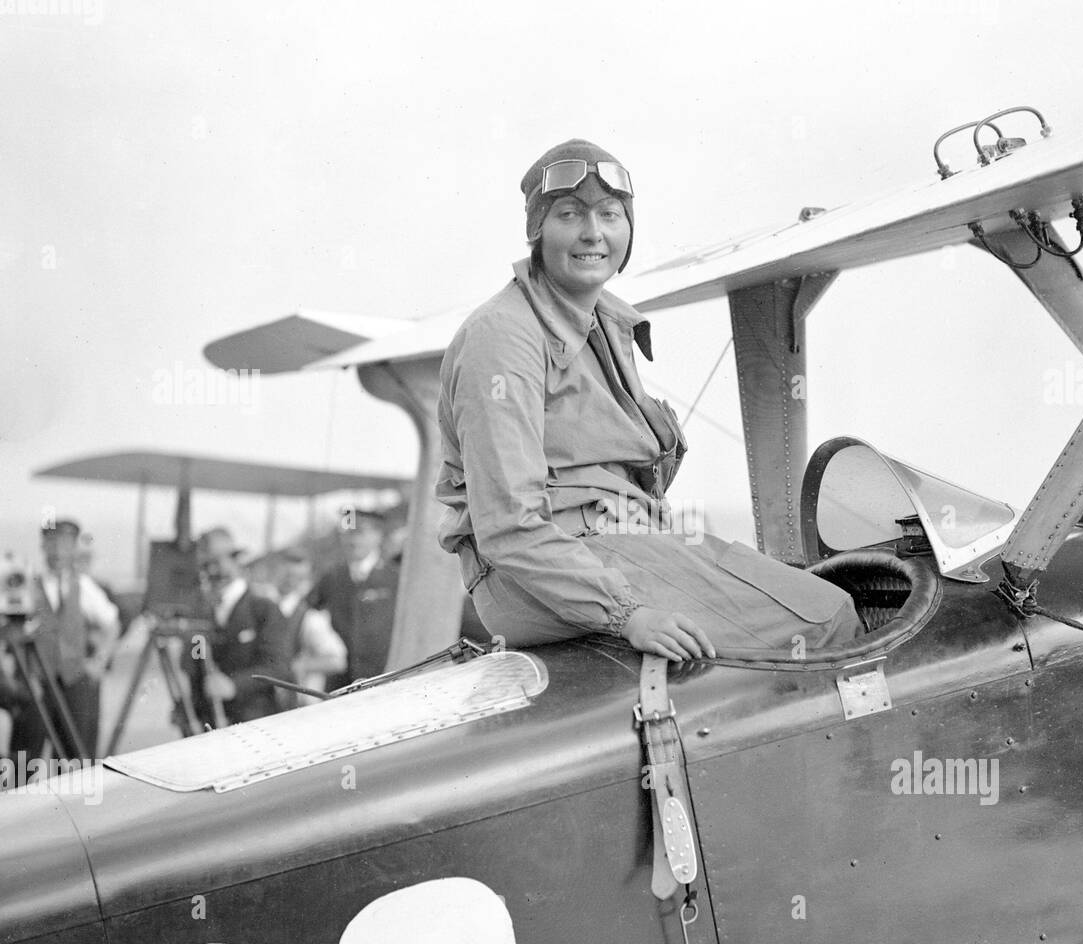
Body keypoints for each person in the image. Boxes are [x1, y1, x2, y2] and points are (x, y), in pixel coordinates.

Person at [435, 139, 866, 661]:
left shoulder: (603, 322)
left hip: (610, 541)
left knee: (814, 593)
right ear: (537, 232)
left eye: (610, 214)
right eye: (569, 214)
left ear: (629, 230)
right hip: (542, 572)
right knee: (827, 622)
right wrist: (626, 613)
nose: (593, 232)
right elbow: (508, 525)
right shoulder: (504, 337)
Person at [185, 527, 292, 727]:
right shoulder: (201, 615)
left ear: (236, 560)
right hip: (213, 727)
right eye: (205, 565)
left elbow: (278, 667)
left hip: (258, 724)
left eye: (217, 563)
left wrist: (234, 685)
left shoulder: (263, 609)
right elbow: (195, 666)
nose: (211, 571)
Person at [32, 518, 120, 758]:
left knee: (77, 759)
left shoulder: (84, 586)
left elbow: (112, 623)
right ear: (43, 547)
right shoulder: (32, 586)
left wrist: (99, 661)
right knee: (24, 759)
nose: (59, 552)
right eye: (52, 544)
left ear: (74, 549)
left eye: (65, 545)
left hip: (76, 684)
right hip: (40, 685)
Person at [308, 509, 399, 691]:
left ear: (378, 536)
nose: (353, 541)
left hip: (384, 677)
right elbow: (306, 611)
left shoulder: (396, 577)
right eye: (348, 534)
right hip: (340, 681)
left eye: (360, 533)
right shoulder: (333, 577)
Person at [275, 547, 346, 705]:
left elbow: (338, 661)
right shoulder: (262, 605)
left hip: (296, 701)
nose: (290, 581)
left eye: (297, 577)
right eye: (286, 575)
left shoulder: (310, 618)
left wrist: (302, 665)